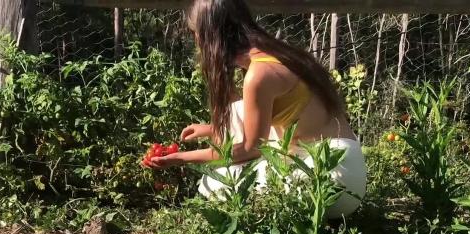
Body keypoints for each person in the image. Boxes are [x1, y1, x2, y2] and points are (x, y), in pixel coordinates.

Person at [144, 0, 367, 218]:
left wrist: (182, 158)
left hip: (332, 178)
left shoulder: (258, 75)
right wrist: (212, 129)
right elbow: (260, 119)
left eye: (195, 33)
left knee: (215, 182)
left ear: (209, 35)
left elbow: (251, 149)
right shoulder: (277, 52)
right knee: (238, 111)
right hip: (345, 165)